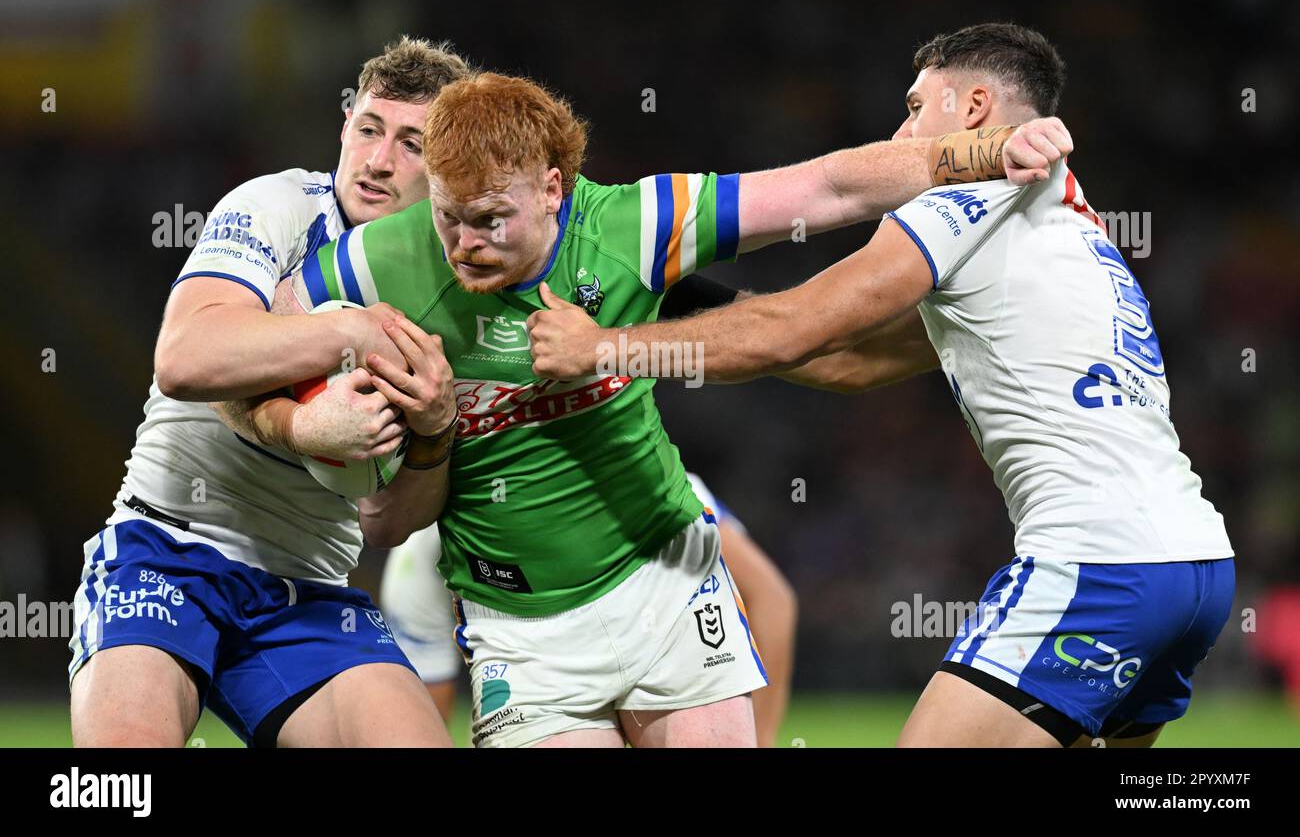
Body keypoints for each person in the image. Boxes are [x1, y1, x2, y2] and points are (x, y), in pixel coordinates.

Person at [237, 69, 1070, 747]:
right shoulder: (376, 261)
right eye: (450, 220)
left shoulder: (636, 225)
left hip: (667, 585)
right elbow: (240, 353)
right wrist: (308, 422)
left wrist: (990, 150)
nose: (465, 246)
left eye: (492, 220)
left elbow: (828, 187)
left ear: (555, 188)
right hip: (521, 631)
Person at [529, 23, 1235, 748]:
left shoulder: (968, 198)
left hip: (1099, 566)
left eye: (915, 106)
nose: (900, 131)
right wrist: (666, 291)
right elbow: (844, 361)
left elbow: (794, 327)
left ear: (974, 108)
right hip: (1197, 567)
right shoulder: (1070, 227)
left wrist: (606, 348)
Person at [68, 37, 469, 748]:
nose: (378, 161)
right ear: (344, 127)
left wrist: (436, 433)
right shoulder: (277, 206)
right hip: (166, 547)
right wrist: (352, 333)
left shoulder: (457, 298)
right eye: (369, 130)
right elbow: (185, 357)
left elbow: (384, 523)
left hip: (309, 592)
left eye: (412, 144)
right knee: (118, 785)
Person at [379, 470, 798, 745]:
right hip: (532, 676)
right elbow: (425, 722)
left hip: (671, 643)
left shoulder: (653, 485)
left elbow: (773, 601)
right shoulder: (420, 558)